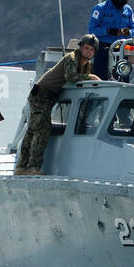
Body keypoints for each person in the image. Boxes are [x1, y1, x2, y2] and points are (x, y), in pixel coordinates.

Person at [16, 35, 101, 175]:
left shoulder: (87, 65)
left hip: (48, 96)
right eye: (86, 48)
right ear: (80, 47)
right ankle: (32, 167)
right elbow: (71, 77)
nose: (89, 52)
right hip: (41, 94)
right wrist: (91, 77)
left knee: (33, 129)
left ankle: (22, 167)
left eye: (92, 50)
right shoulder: (72, 58)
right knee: (41, 129)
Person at [87, 0, 134, 79]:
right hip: (103, 47)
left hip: (122, 48)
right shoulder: (100, 8)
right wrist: (109, 31)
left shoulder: (128, 10)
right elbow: (92, 29)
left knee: (123, 77)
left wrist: (129, 32)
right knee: (100, 76)